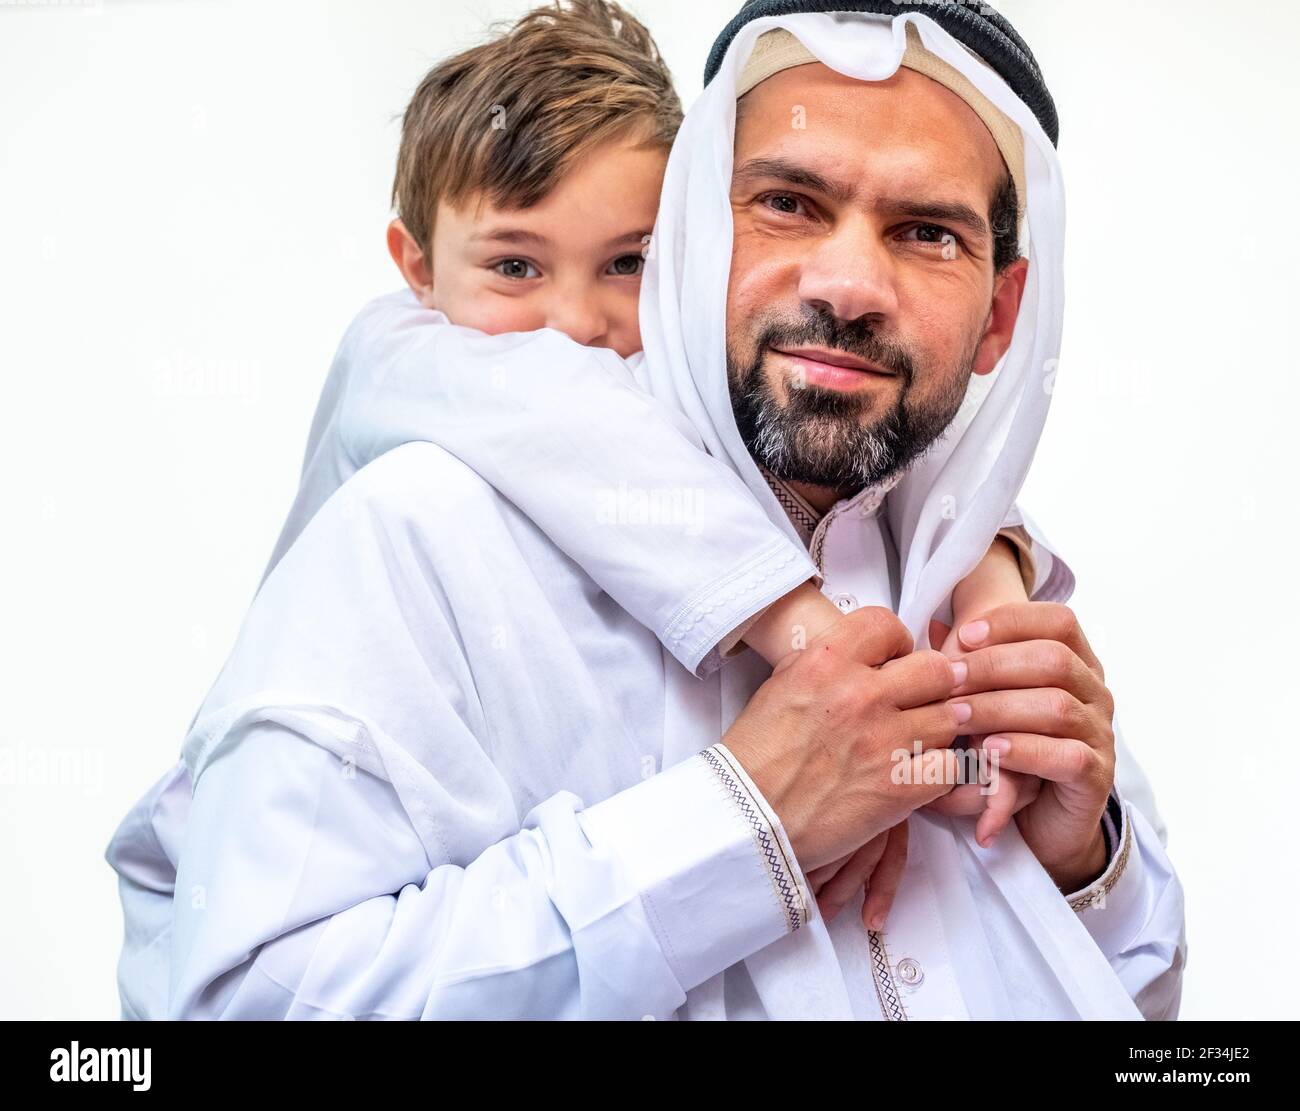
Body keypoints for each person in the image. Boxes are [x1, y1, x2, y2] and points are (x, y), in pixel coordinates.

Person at [106, 3, 1185, 1020]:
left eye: (926, 233)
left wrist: (1079, 868)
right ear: (693, 242)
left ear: (1000, 316)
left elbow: (1150, 1017)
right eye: (787, 202)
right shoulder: (420, 533)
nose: (850, 282)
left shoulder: (979, 582)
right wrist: (740, 823)